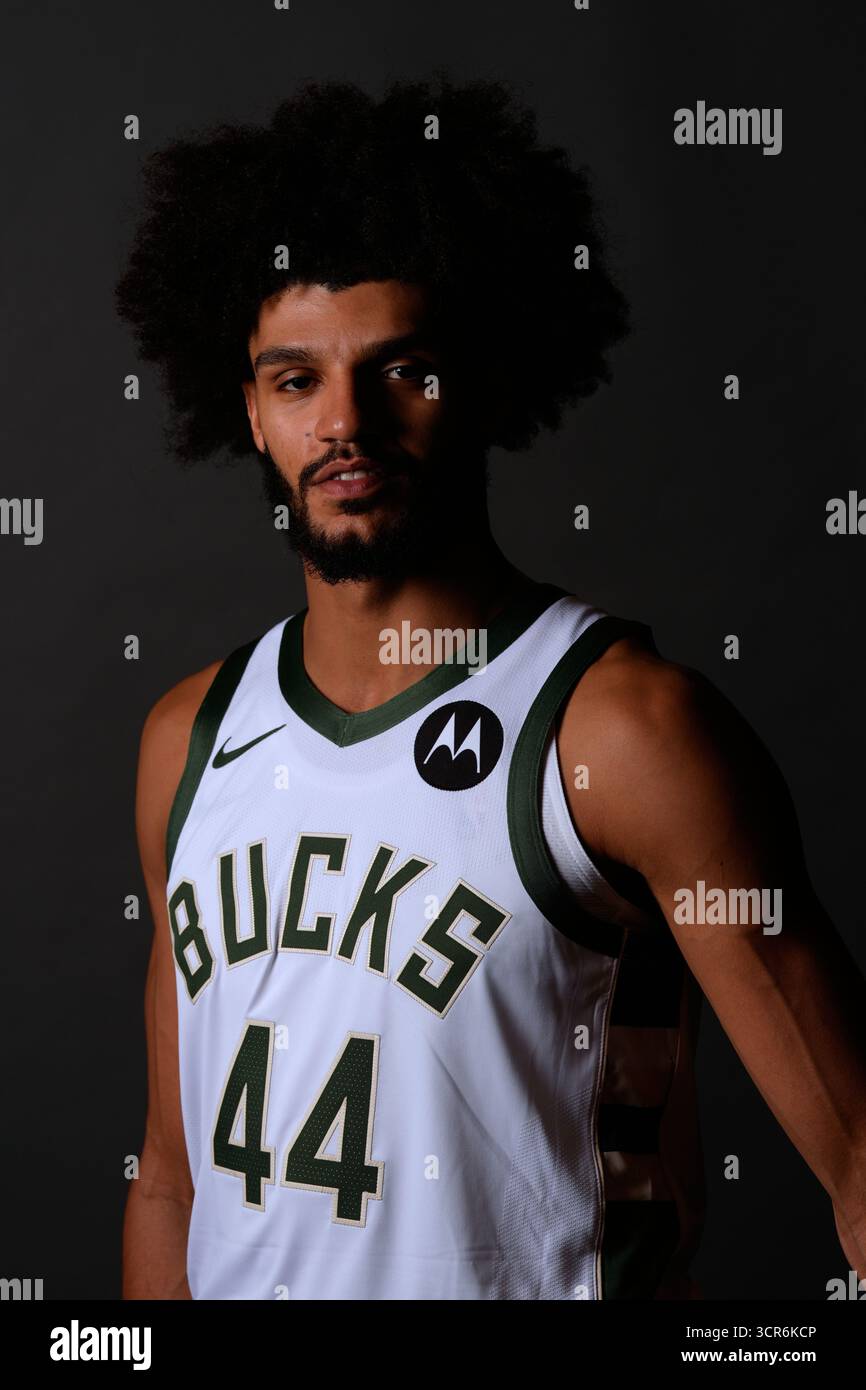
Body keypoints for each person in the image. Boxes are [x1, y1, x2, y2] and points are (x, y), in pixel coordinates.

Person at [116, 75, 866, 1300]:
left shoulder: (622, 729)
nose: (344, 422)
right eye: (296, 379)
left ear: (478, 382)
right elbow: (169, 1177)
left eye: (399, 368)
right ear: (248, 409)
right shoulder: (186, 739)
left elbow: (858, 1164)